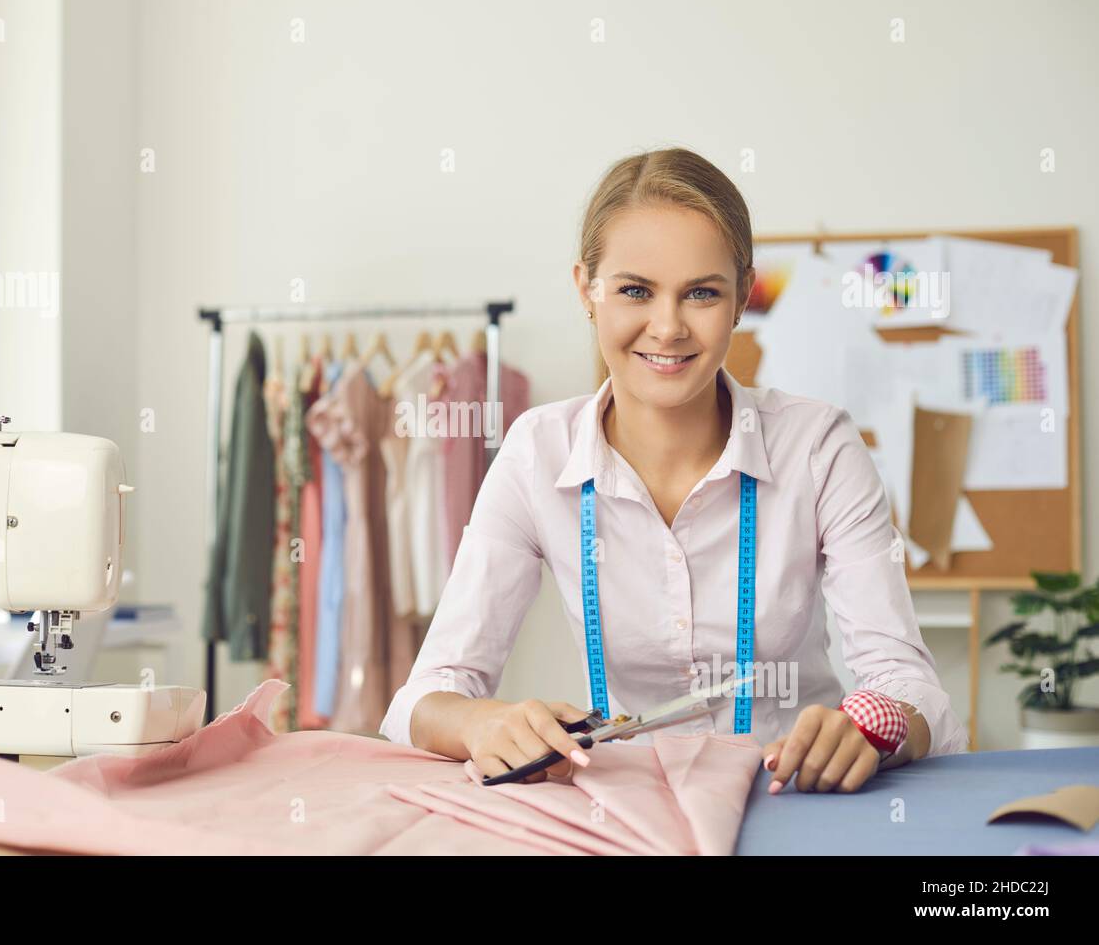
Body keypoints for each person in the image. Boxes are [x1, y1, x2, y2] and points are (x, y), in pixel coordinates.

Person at [380, 147, 968, 794]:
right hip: (628, 812)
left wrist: (867, 724)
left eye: (702, 293)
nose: (667, 327)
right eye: (635, 290)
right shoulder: (536, 453)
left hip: (797, 803)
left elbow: (910, 686)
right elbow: (423, 699)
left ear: (744, 294)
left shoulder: (817, 446)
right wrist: (483, 723)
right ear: (587, 290)